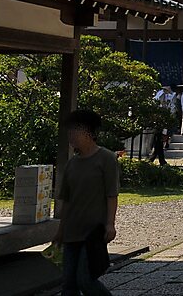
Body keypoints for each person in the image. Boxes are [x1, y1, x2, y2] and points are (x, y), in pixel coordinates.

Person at [53, 110, 118, 296]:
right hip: (72, 231)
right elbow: (66, 199)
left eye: (75, 131)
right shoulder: (72, 164)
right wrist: (60, 230)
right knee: (68, 284)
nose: (71, 136)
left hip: (92, 232)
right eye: (70, 132)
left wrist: (110, 224)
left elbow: (111, 194)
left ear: (89, 133)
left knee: (85, 279)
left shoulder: (106, 159)